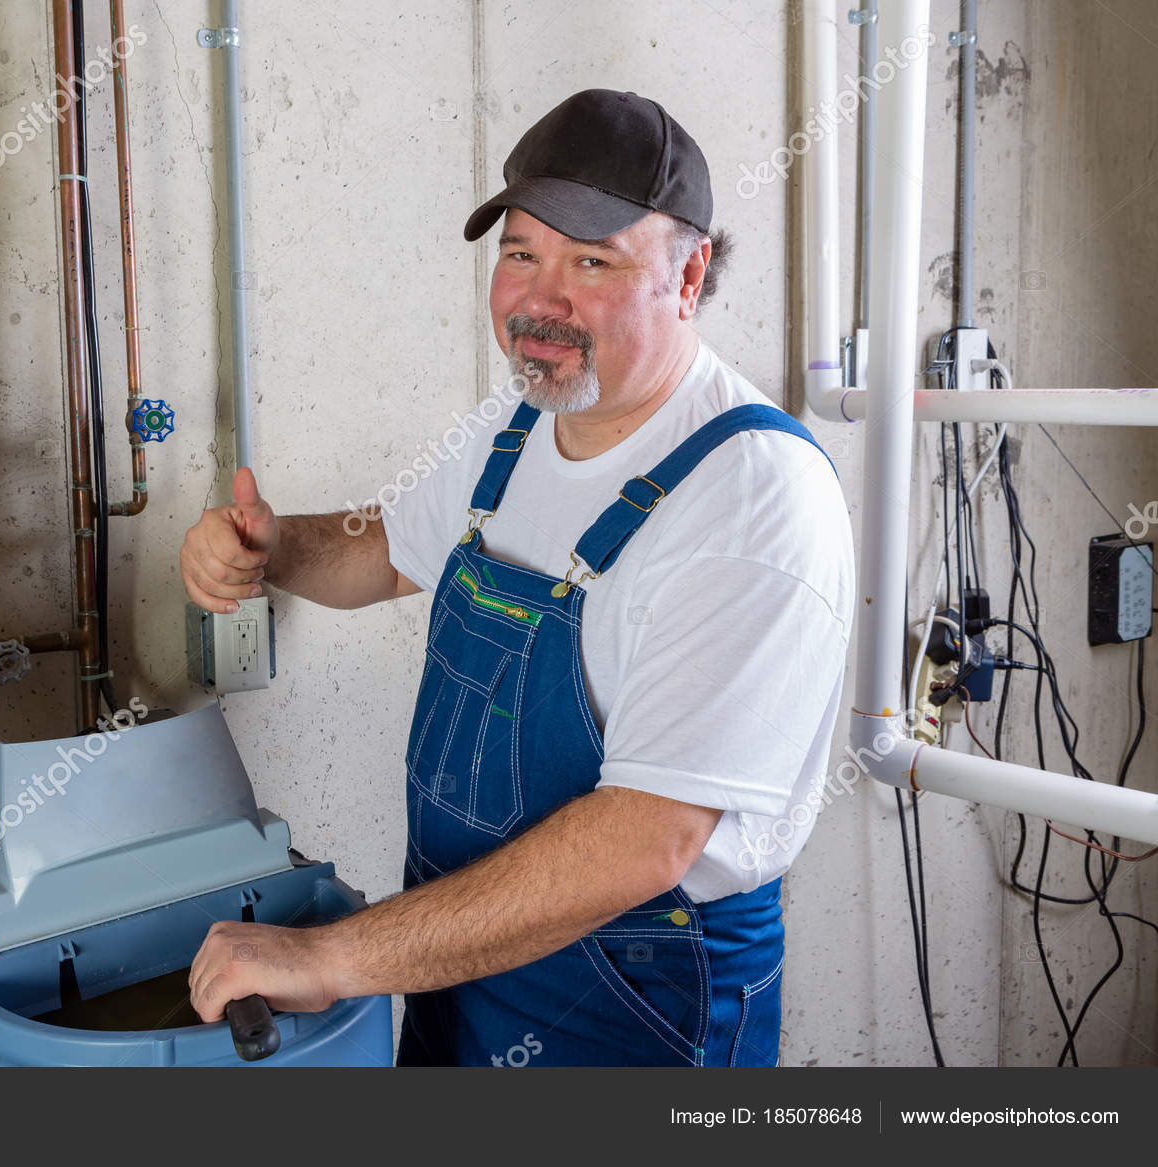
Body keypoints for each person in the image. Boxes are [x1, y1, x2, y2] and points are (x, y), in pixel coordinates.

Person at [178, 89, 854, 1066]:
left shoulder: (752, 498)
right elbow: (381, 553)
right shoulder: (515, 428)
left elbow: (644, 840)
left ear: (687, 273)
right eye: (520, 254)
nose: (540, 300)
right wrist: (268, 545)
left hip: (633, 1001)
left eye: (591, 261)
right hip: (459, 956)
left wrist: (330, 958)